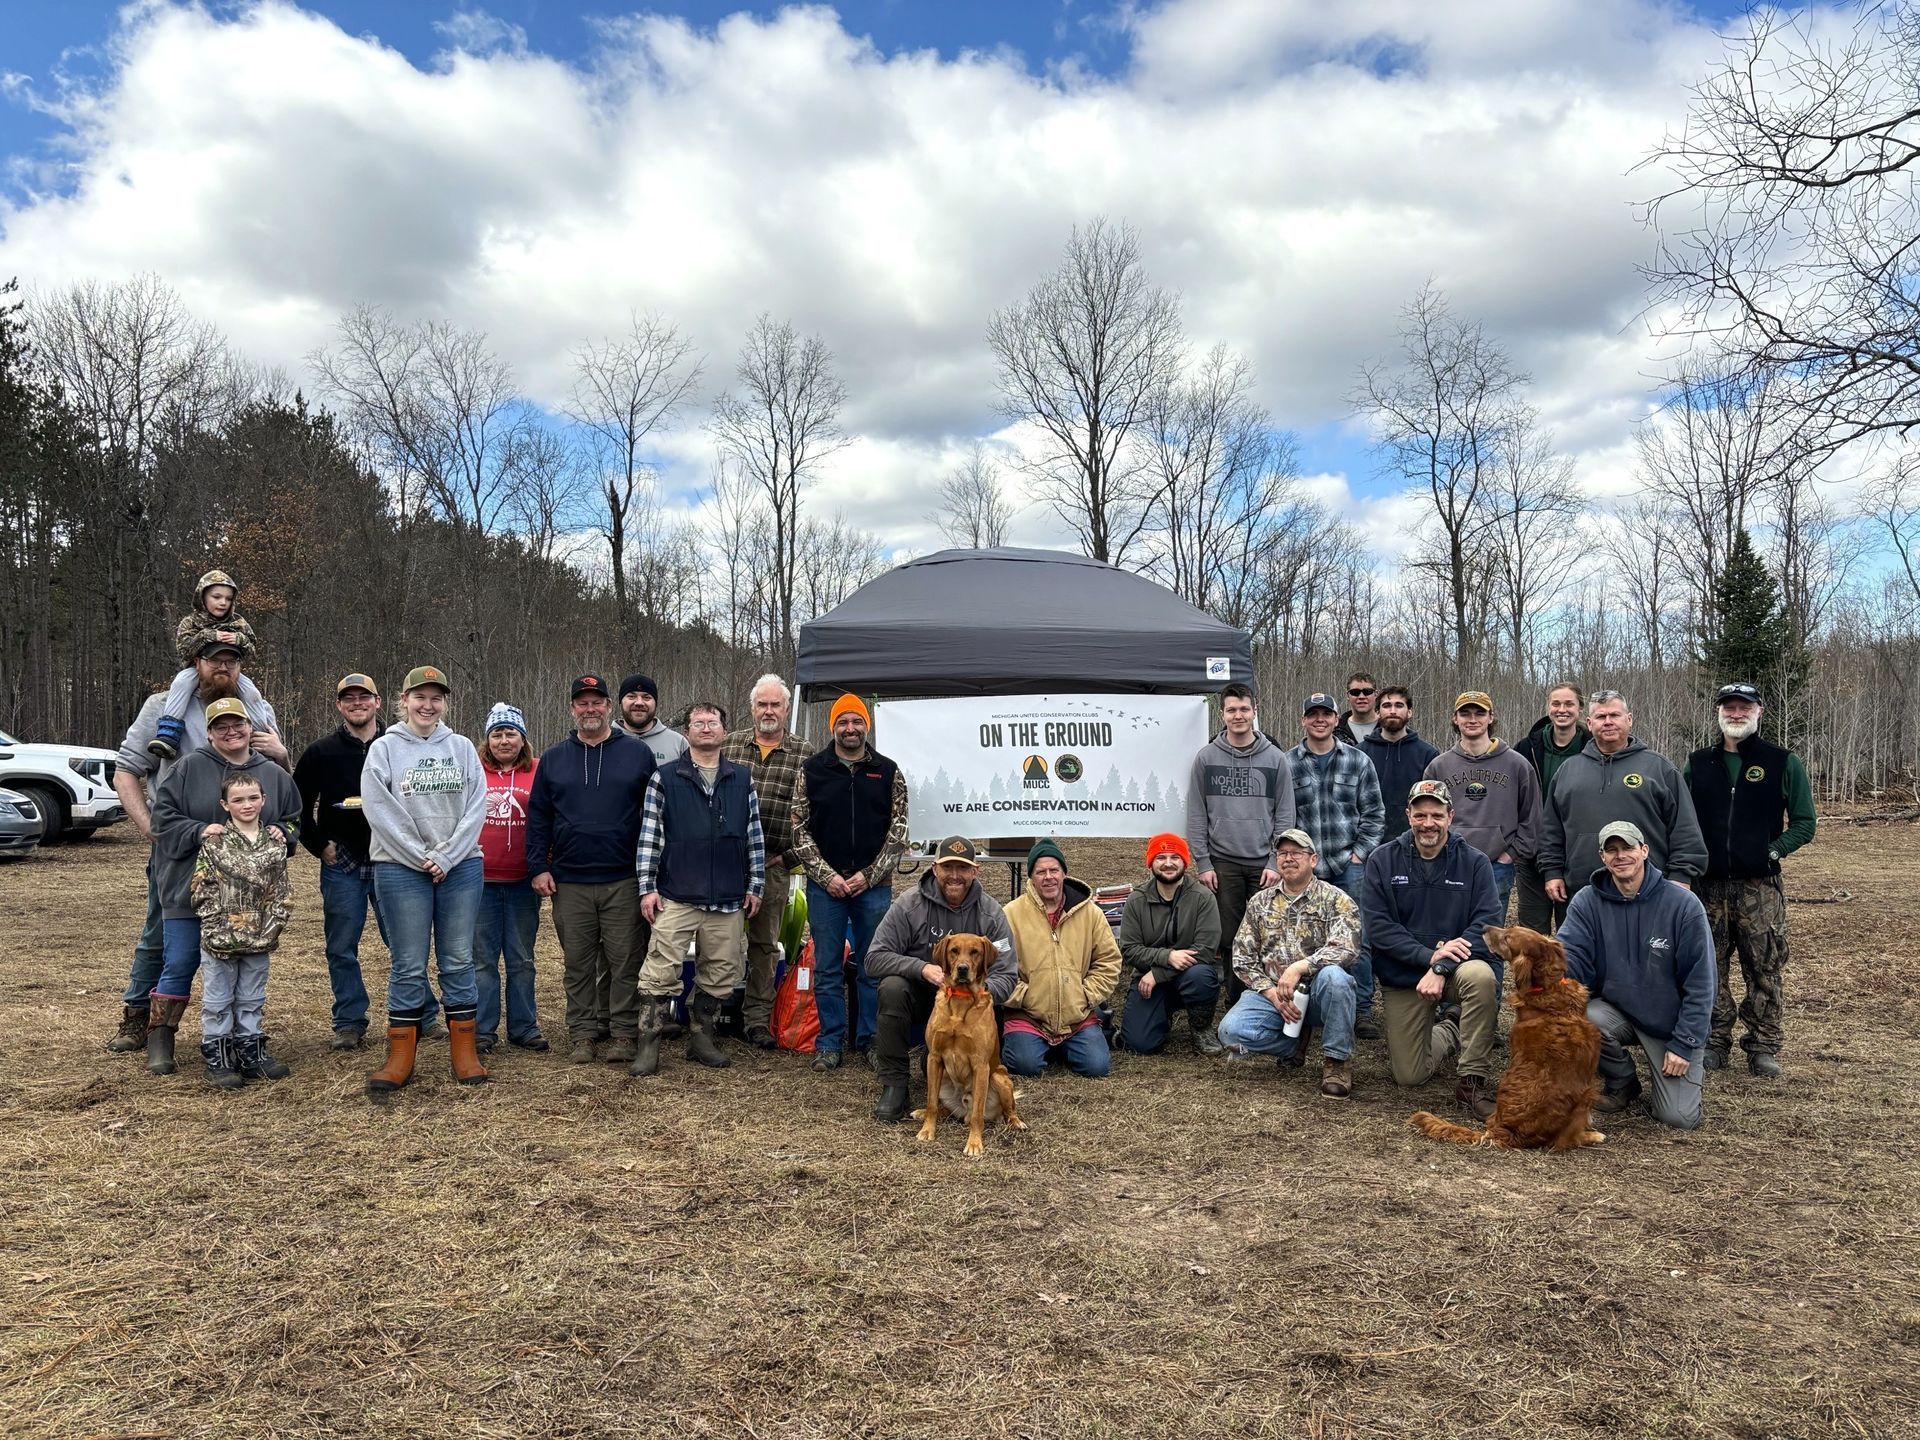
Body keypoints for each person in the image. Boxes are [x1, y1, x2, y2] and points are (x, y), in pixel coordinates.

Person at [107, 635, 287, 1053]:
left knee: (241, 941)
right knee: (164, 935)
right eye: (213, 660)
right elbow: (126, 771)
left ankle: (237, 1037)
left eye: (232, 662)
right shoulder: (163, 707)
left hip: (243, 858)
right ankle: (139, 1019)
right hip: (181, 848)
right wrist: (153, 829)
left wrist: (281, 752)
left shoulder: (257, 711)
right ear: (196, 662)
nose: (223, 668)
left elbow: (277, 782)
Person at [144, 698, 302, 1078]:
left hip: (250, 902)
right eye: (221, 726)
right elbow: (162, 820)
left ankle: (245, 1045)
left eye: (239, 724)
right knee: (182, 962)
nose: (232, 732)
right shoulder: (187, 767)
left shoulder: (274, 775)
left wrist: (285, 832)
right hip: (190, 890)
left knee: (247, 975)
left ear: (251, 727)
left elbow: (294, 821)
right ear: (210, 732)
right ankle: (161, 1034)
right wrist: (197, 831)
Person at [360, 665, 490, 1095]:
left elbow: (477, 805)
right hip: (400, 868)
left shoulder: (462, 747)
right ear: (403, 700)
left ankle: (464, 1052)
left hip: (461, 867)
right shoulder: (383, 749)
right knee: (408, 963)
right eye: (420, 697)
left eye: (436, 698)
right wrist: (422, 856)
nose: (428, 705)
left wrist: (448, 856)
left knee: (457, 959)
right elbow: (379, 809)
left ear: (444, 703)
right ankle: (400, 1058)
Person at [294, 672, 440, 1051]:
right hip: (343, 860)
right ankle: (349, 1022)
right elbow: (296, 806)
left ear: (378, 702)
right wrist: (318, 844)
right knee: (342, 946)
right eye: (349, 699)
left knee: (404, 943)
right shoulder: (321, 752)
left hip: (394, 859)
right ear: (340, 706)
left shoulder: (399, 744)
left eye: (364, 697)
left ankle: (424, 1015)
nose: (357, 704)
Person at [1684, 682, 1816, 1078]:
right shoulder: (1698, 762)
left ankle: (1762, 1045)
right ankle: (1714, 1040)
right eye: (1729, 707)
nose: (1736, 714)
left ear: (1759, 712)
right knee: (1709, 966)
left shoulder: (1781, 762)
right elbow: (1680, 817)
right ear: (1719, 713)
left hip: (1759, 887)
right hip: (1706, 885)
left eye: (1744, 707)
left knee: (1764, 966)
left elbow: (1805, 823)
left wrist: (1772, 851)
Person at [523, 674, 657, 1063]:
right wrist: (538, 867)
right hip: (570, 881)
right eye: (582, 703)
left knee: (625, 962)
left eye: (597, 702)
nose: (590, 709)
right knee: (577, 964)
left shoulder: (636, 754)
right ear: (572, 709)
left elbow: (653, 815)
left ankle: (623, 1034)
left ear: (609, 708)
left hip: (623, 878)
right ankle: (582, 1033)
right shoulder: (554, 758)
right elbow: (539, 818)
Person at [632, 701, 766, 1076]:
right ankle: (649, 1043)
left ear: (724, 731)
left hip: (728, 896)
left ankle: (701, 1037)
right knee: (659, 969)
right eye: (698, 723)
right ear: (687, 732)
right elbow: (649, 837)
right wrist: (647, 887)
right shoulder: (666, 777)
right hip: (677, 893)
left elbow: (754, 837)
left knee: (723, 969)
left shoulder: (742, 779)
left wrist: (755, 884)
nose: (706, 728)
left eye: (713, 723)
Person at [1557, 821, 1716, 1129]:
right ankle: (1623, 1080)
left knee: (1677, 1118)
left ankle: (1684, 1065)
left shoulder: (1682, 905)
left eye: (1628, 847)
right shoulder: (1587, 901)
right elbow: (1569, 956)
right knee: (1581, 1016)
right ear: (1601, 856)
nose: (1621, 856)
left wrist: (1685, 1042)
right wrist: (1545, 965)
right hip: (1618, 1012)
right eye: (1611, 850)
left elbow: (1702, 983)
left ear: (1644, 851)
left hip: (1670, 1025)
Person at [1361, 780, 1502, 1118]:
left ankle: (1472, 1080)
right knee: (1410, 1076)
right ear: (1408, 815)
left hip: (1455, 970)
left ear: (1450, 816)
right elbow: (1379, 929)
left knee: (1482, 977)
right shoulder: (1382, 860)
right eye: (1420, 814)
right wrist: (1428, 957)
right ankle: (1453, 1028)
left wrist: (1441, 967)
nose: (1428, 823)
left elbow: (1485, 926)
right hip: (1406, 976)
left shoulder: (1475, 862)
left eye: (1437, 815)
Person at [864, 836, 1017, 1123]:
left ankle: (940, 1071)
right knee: (892, 988)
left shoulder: (991, 913)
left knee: (937, 1063)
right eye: (948, 868)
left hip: (972, 1006)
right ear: (935, 869)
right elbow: (873, 958)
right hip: (924, 997)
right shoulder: (909, 904)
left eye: (963, 868)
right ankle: (895, 1083)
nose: (955, 876)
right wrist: (921, 968)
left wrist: (980, 995)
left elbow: (1007, 974)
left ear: (975, 871)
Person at [792, 693, 908, 1071]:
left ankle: (870, 1039)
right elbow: (798, 830)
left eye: (856, 721)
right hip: (825, 890)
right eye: (843, 721)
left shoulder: (889, 771)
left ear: (866, 726)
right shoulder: (811, 770)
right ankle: (829, 1042)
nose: (850, 728)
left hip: (872, 889)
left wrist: (868, 876)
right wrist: (827, 877)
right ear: (833, 727)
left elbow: (899, 831)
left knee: (872, 966)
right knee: (826, 968)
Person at [1217, 828, 1362, 1096]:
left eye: (1296, 852)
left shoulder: (1336, 899)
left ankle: (1336, 1061)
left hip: (1319, 992)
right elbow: (1242, 956)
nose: (1288, 858)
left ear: (1313, 859)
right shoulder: (1260, 902)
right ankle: (1293, 1045)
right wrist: (1272, 994)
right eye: (1282, 853)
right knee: (1229, 1032)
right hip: (1273, 993)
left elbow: (1347, 948)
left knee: (1337, 979)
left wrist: (1300, 967)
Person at [1540, 690, 1707, 906]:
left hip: (1650, 890)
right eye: (1600, 717)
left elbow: (1684, 826)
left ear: (1629, 719)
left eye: (1614, 715)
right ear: (1590, 724)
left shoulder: (1659, 768)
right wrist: (1552, 871)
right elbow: (1551, 829)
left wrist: (1681, 875)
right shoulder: (1568, 771)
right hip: (1583, 892)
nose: (1608, 722)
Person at [1185, 682, 1294, 1008]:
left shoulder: (1275, 759)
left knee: (1267, 937)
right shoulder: (1206, 758)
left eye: (1244, 709)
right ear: (1223, 714)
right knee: (1232, 939)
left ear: (1254, 712)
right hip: (1223, 863)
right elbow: (1196, 813)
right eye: (1231, 710)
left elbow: (1285, 814)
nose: (1238, 715)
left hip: (1264, 864)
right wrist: (1203, 863)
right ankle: (1236, 1006)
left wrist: (1276, 862)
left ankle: (1270, 1003)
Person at [188, 770, 294, 1088]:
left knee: (251, 996)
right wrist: (214, 925)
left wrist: (273, 926)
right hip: (221, 938)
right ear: (225, 804)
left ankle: (251, 1053)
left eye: (252, 798)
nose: (246, 804)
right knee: (218, 999)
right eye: (238, 799)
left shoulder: (275, 844)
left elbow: (282, 892)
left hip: (260, 936)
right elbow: (201, 888)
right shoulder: (215, 843)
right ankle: (219, 1056)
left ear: (263, 800)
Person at [722, 674, 808, 1050]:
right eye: (762, 704)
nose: (768, 711)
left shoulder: (805, 754)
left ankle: (757, 1019)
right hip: (723, 865)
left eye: (776, 705)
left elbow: (813, 818)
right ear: (752, 708)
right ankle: (706, 1013)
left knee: (764, 944)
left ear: (786, 710)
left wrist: (787, 857)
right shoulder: (727, 745)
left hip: (772, 866)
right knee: (718, 941)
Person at [1000, 840, 1124, 1080]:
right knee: (1024, 1066)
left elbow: (1109, 961)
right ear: (1031, 878)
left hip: (1076, 1016)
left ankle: (1068, 1044)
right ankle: (1037, 1045)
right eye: (1041, 872)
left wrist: (1086, 995)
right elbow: (998, 966)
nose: (1048, 877)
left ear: (1064, 874)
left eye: (1054, 870)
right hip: (1028, 1015)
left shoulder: (1091, 913)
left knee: (1096, 1067)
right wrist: (1025, 996)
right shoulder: (1010, 914)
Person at [1422, 690, 1540, 931]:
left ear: (1491, 718)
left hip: (1496, 866)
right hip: (1450, 864)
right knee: (1447, 934)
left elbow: (1532, 818)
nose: (1472, 719)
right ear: (1455, 719)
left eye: (1479, 713)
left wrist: (1510, 856)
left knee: (1491, 939)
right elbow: (1426, 816)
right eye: (1465, 713)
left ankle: (1489, 971)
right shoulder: (1439, 766)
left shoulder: (1517, 765)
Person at [475, 702, 545, 1055]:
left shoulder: (538, 770)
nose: (504, 740)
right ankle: (483, 1029)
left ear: (523, 738)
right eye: (498, 734)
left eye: (511, 733)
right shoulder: (474, 770)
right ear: (488, 740)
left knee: (521, 958)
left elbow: (549, 819)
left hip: (523, 880)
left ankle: (524, 1026)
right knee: (483, 959)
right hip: (480, 880)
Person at [147, 569, 272, 760]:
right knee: (180, 683)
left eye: (228, 598)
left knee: (252, 693)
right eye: (217, 597)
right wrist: (207, 637)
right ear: (202, 597)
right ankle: (169, 733)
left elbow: (252, 648)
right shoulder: (190, 622)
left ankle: (261, 739)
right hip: (196, 670)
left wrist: (238, 638)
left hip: (231, 670)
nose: (223, 602)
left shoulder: (238, 622)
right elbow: (183, 650)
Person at [1117, 833, 1223, 1056]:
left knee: (1202, 976)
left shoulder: (1203, 897)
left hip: (1184, 976)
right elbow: (1129, 950)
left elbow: (1205, 950)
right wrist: (1167, 957)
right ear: (1150, 863)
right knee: (1139, 1044)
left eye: (1175, 857)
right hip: (1148, 983)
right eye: (1160, 857)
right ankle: (1159, 1015)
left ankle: (1201, 1028)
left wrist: (1159, 973)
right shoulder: (1136, 900)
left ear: (1184, 861)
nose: (1167, 864)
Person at [1513, 682, 1589, 933]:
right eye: (1556, 703)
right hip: (1533, 855)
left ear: (1580, 709)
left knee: (1577, 934)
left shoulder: (1594, 749)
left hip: (1577, 857)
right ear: (1548, 707)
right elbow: (1511, 800)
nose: (1562, 709)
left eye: (1569, 704)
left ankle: (1570, 975)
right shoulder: (1526, 749)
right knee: (1532, 936)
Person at [1358, 686, 1439, 842]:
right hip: (1369, 844)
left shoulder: (1428, 755)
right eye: (1387, 706)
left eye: (1399, 705)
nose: (1393, 711)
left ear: (1410, 712)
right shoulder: (1360, 754)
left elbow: (1433, 805)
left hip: (1415, 844)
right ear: (1377, 712)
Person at [616, 673, 689, 766]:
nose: (639, 703)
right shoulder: (605, 741)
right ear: (620, 703)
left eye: (646, 697)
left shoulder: (678, 743)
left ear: (656, 704)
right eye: (631, 696)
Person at [1334, 671, 1381, 745]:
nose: (1361, 697)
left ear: (1376, 694)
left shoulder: (1388, 727)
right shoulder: (1335, 730)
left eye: (1367, 691)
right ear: (1347, 696)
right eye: (1355, 692)